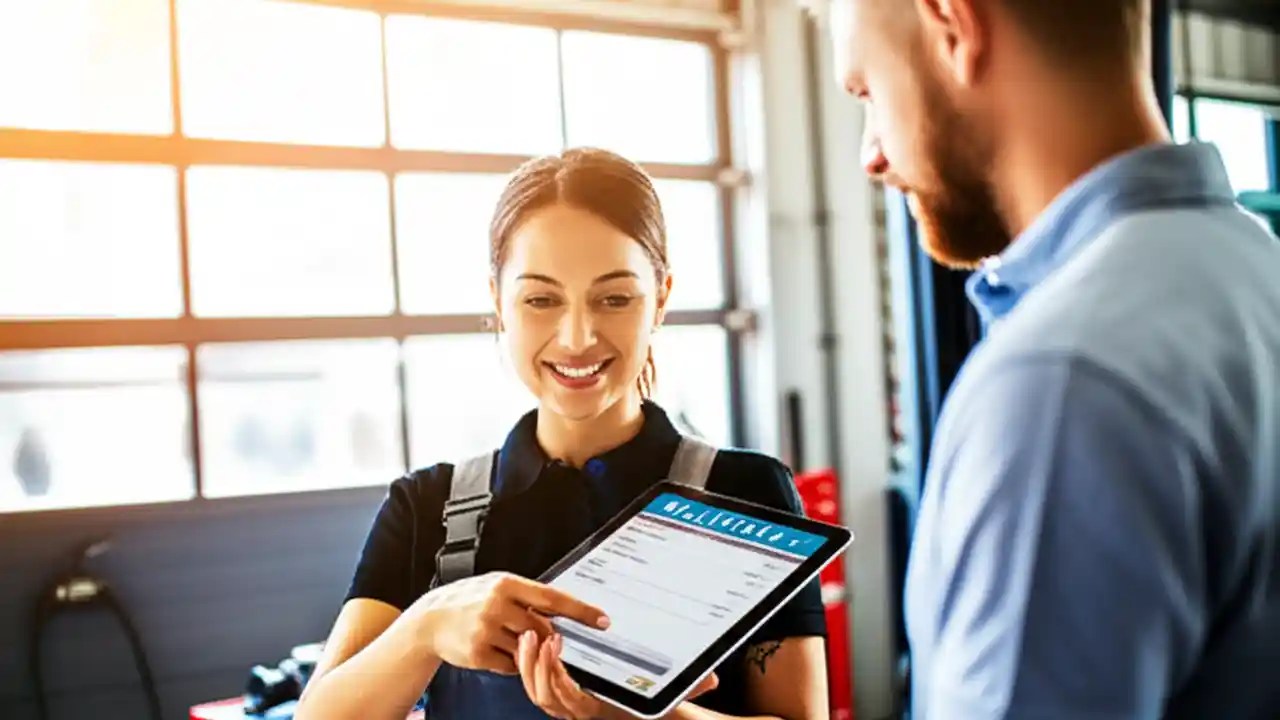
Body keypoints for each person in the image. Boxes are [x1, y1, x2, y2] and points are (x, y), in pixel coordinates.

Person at [813, 0, 1280, 717]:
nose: (870, 155)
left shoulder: (1062, 382)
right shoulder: (1253, 268)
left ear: (953, 26)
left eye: (868, 92)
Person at [295, 148, 832, 720]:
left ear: (661, 299)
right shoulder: (426, 508)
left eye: (614, 299)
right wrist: (426, 626)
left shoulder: (745, 492)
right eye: (541, 300)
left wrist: (634, 713)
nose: (577, 338)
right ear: (498, 303)